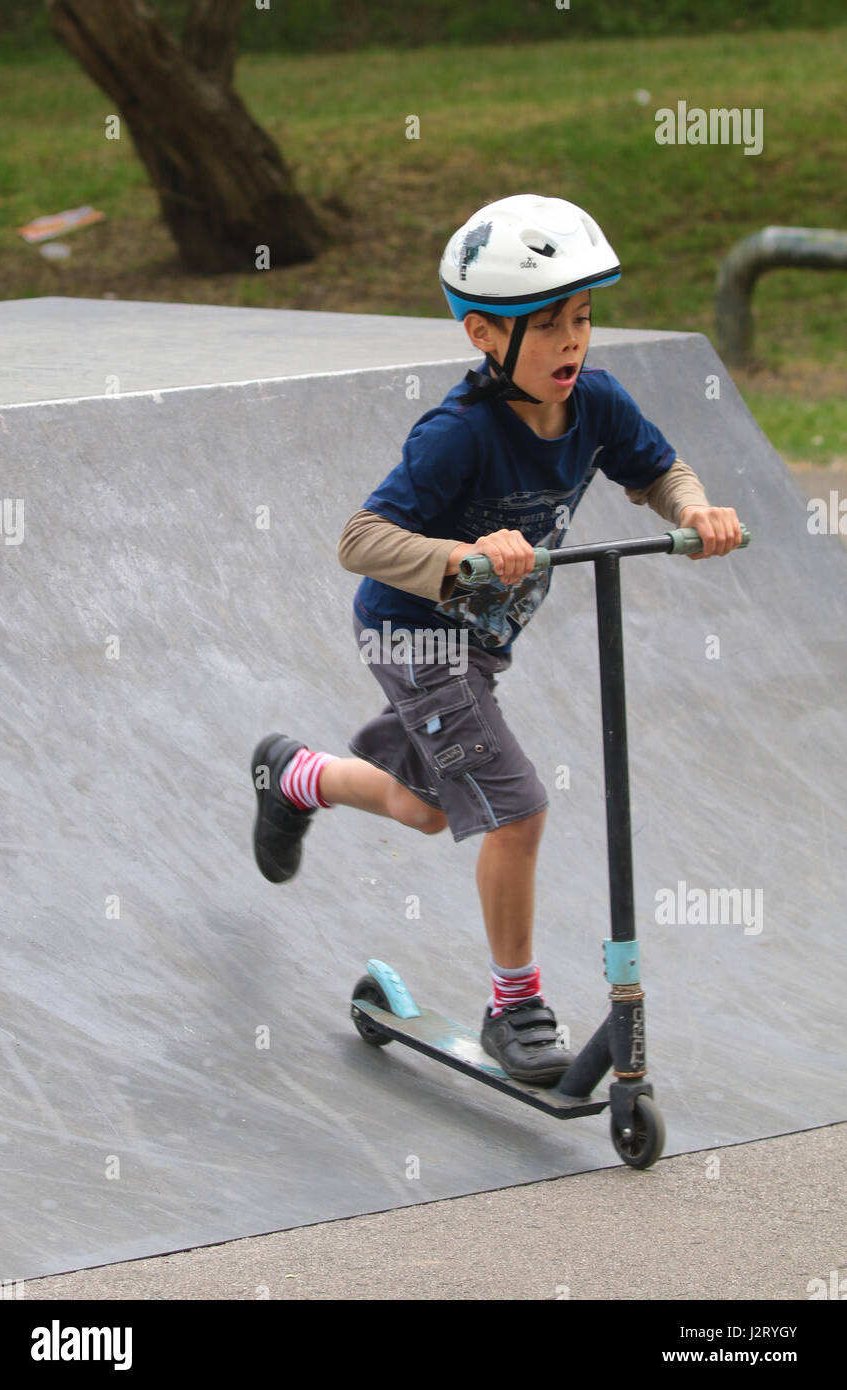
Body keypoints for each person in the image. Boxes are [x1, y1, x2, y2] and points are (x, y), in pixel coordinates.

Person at [251, 194, 742, 1085]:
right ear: (484, 335)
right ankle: (514, 1006)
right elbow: (358, 540)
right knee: (516, 807)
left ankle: (295, 777)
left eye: (582, 320)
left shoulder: (597, 405)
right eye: (547, 325)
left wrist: (694, 510)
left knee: (431, 806)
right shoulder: (458, 433)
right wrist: (464, 553)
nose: (572, 343)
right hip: (415, 639)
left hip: (478, 650)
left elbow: (661, 470)